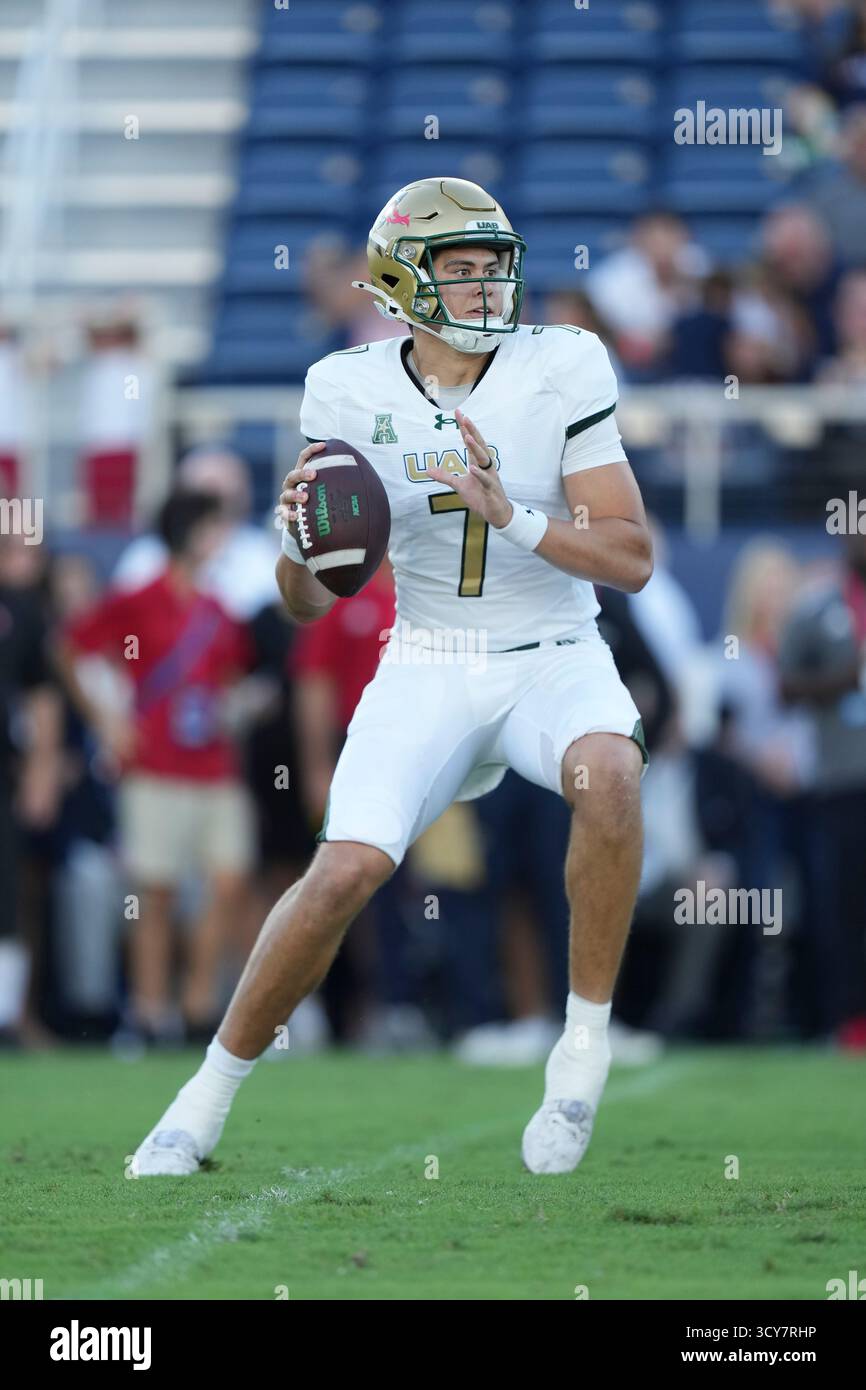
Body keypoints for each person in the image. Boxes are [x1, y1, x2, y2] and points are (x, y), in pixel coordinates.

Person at [130, 176, 653, 1178]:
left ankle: (580, 1045)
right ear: (398, 281)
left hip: (554, 650)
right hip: (427, 659)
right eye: (458, 270)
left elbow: (629, 553)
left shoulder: (562, 362)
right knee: (344, 871)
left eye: (493, 266)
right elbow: (305, 602)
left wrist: (513, 516)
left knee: (611, 774)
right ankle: (200, 1099)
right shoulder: (344, 387)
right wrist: (302, 544)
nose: (485, 288)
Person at [57, 492, 256, 1044]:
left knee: (230, 880)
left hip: (215, 767)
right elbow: (72, 647)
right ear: (190, 532)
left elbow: (231, 680)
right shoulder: (138, 599)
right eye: (214, 528)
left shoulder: (219, 610)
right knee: (157, 890)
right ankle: (150, 1013)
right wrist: (106, 722)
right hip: (155, 766)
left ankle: (196, 1003)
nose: (221, 540)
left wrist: (238, 706)